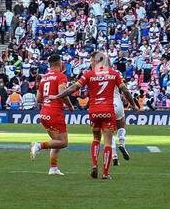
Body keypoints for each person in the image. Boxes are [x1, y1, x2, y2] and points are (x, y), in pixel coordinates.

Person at [56, 51, 135, 180]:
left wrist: (58, 96)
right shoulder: (114, 74)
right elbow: (125, 90)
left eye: (92, 61)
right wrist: (133, 105)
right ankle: (105, 173)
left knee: (96, 139)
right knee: (108, 142)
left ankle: (94, 165)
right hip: (108, 110)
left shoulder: (89, 74)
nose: (90, 63)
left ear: (97, 61)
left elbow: (73, 89)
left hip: (94, 111)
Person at [29, 53, 69, 175]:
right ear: (59, 63)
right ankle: (39, 145)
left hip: (44, 113)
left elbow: (38, 99)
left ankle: (53, 168)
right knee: (63, 142)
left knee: (56, 141)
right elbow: (62, 93)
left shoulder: (44, 78)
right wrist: (70, 105)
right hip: (55, 112)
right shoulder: (61, 76)